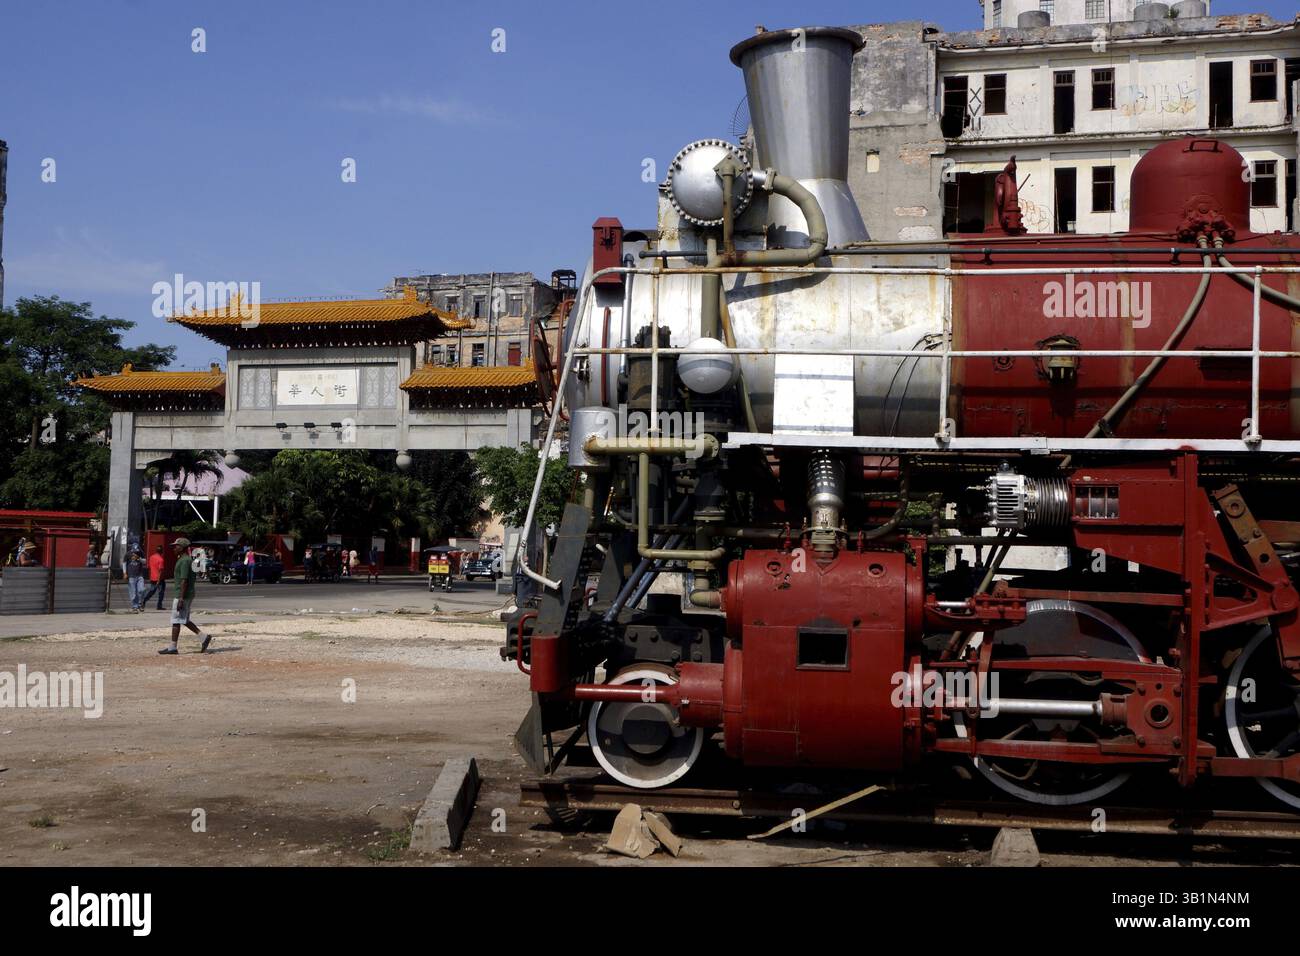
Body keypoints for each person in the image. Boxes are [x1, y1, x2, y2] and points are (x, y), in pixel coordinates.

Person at [158, 538, 213, 655]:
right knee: (184, 619)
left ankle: (173, 647)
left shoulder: (184, 561)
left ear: (181, 548)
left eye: (176, 546)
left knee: (176, 620)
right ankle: (203, 637)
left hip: (182, 594)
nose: (174, 548)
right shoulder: (186, 560)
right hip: (187, 594)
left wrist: (181, 598)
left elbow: (184, 581)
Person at [140, 545, 167, 610]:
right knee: (161, 592)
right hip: (159, 579)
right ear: (162, 551)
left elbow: (149, 567)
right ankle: (159, 606)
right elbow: (160, 571)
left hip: (152, 577)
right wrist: (158, 580)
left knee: (151, 591)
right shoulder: (161, 560)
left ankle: (144, 601)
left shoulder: (151, 557)